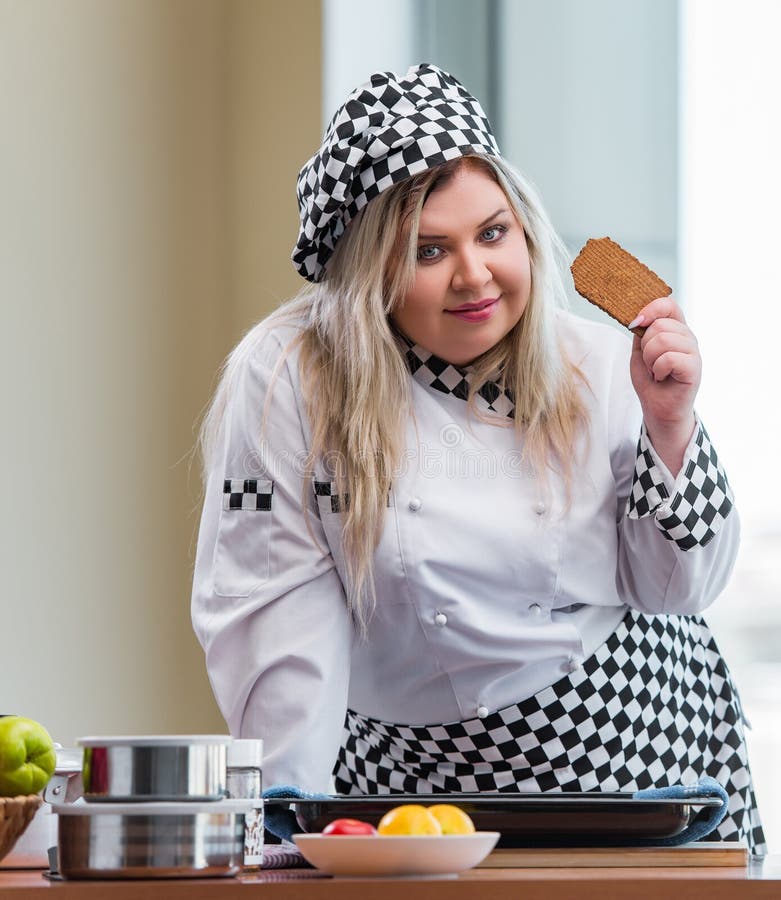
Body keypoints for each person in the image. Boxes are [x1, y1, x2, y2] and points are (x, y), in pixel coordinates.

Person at [191, 63, 766, 854]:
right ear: (369, 275)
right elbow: (270, 598)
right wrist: (284, 810)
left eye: (492, 234)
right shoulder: (289, 378)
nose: (474, 275)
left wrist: (670, 423)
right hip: (407, 781)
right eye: (429, 251)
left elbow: (680, 587)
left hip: (631, 765)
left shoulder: (596, 361)